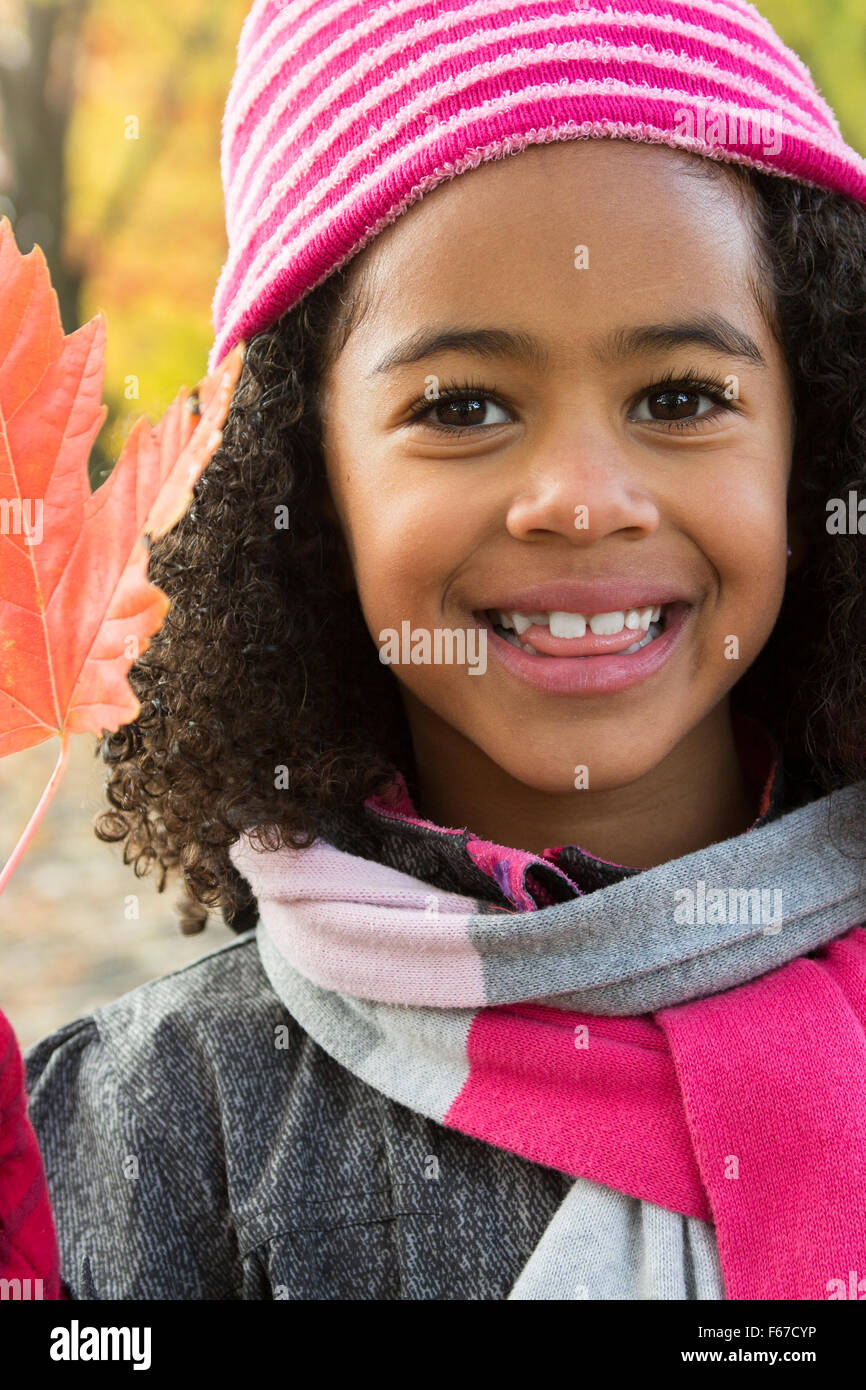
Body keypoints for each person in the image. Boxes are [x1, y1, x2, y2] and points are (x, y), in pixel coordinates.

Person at [22, 0, 866, 1299]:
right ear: (306, 482)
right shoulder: (130, 1133)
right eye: (462, 406)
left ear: (815, 445)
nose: (583, 499)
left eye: (680, 399)